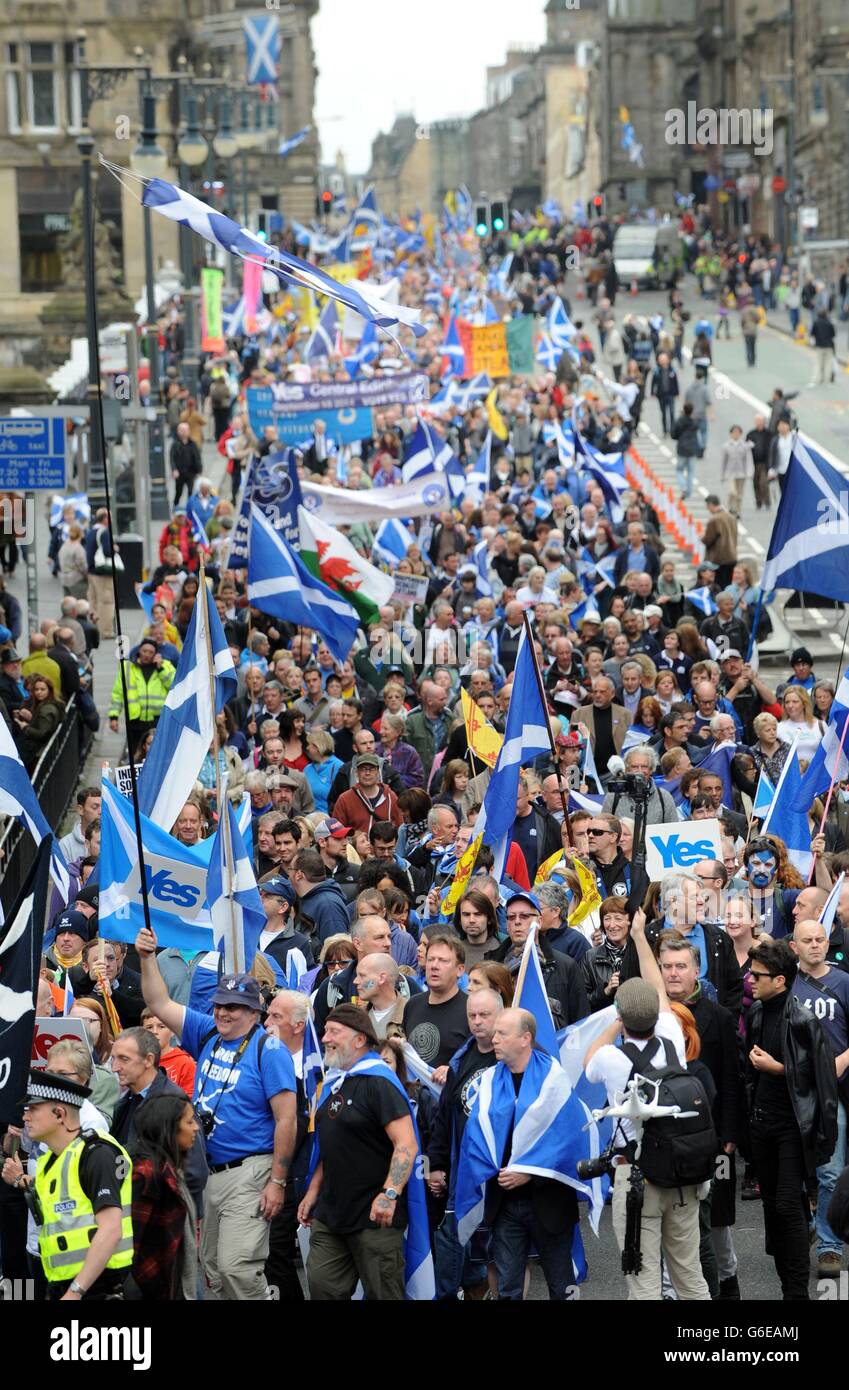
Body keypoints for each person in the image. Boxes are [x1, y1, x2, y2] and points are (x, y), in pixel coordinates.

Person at [134, 929, 298, 1300]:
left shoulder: (269, 1050)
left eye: (234, 1007)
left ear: (254, 1012)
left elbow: (287, 1119)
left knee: (237, 1267)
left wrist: (277, 1181)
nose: (223, 1012)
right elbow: (159, 1002)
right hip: (209, 1170)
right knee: (212, 1273)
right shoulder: (207, 1031)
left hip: (251, 1170)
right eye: (220, 1004)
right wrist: (146, 958)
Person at [584, 910, 711, 1300]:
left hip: (636, 1176)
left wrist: (615, 1021)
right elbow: (659, 991)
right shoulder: (673, 1033)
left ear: (623, 1017)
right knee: (689, 1274)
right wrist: (640, 937)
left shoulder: (612, 1061)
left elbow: (590, 1059)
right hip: (683, 1171)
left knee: (642, 1279)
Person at [297, 1004, 420, 1301]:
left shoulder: (379, 1083)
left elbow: (406, 1144)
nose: (325, 1038)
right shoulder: (335, 1082)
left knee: (383, 1293)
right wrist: (314, 1189)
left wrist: (390, 1194)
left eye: (334, 1032)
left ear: (360, 1039)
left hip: (374, 1214)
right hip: (331, 1212)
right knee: (322, 1287)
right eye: (325, 1030)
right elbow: (331, 1145)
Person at [745, 935, 838, 1300]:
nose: (750, 980)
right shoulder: (754, 1013)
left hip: (792, 1127)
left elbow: (823, 1080)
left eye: (757, 975)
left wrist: (778, 1068)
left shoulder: (802, 1019)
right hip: (762, 1125)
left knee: (786, 1205)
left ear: (779, 980)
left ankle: (797, 1292)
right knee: (774, 1208)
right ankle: (789, 1286)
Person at [658, 935, 748, 1300]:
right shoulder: (651, 1016)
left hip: (711, 1137)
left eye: (682, 966)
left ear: (697, 970)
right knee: (670, 1222)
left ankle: (727, 1285)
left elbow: (731, 1077)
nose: (674, 973)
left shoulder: (719, 1016)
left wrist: (729, 1135)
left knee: (716, 1222)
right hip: (665, 1137)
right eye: (667, 967)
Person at [12, 1068, 133, 1300]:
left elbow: (111, 1229)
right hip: (65, 1285)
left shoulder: (97, 1154)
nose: (25, 1117)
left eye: (33, 1109)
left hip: (99, 1289)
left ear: (60, 1114)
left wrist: (76, 1291)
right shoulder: (51, 1161)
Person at [426, 987, 502, 1300]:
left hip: (499, 1174)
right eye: (472, 1015)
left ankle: (480, 1289)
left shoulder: (512, 1058)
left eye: (485, 1015)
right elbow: (444, 1118)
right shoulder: (460, 1059)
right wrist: (437, 1165)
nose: (477, 1021)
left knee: (493, 1248)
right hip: (462, 1171)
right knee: (451, 1241)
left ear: (500, 1015)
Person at [790, 917, 849, 1279]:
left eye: (820, 939)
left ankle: (829, 1246)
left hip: (837, 1090)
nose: (815, 945)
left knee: (830, 1169)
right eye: (807, 940)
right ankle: (808, 1220)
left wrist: (836, 1065)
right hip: (795, 1088)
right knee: (794, 1168)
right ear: (794, 946)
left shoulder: (844, 982)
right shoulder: (786, 984)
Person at [127, 1093, 200, 1300]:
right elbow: (130, 1243)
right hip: (151, 1289)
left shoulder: (169, 1170)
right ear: (168, 1127)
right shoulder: (146, 1174)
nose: (196, 1127)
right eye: (189, 1121)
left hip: (168, 1285)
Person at [402, 933, 470, 1077]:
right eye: (430, 959)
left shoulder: (471, 1011)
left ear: (460, 970)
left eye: (443, 961)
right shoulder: (413, 1004)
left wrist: (452, 1072)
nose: (434, 966)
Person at [581, 897, 641, 1011]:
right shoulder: (590, 957)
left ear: (630, 921)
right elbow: (583, 1002)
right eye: (607, 919)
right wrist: (606, 991)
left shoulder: (642, 951)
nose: (612, 925)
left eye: (618, 918)